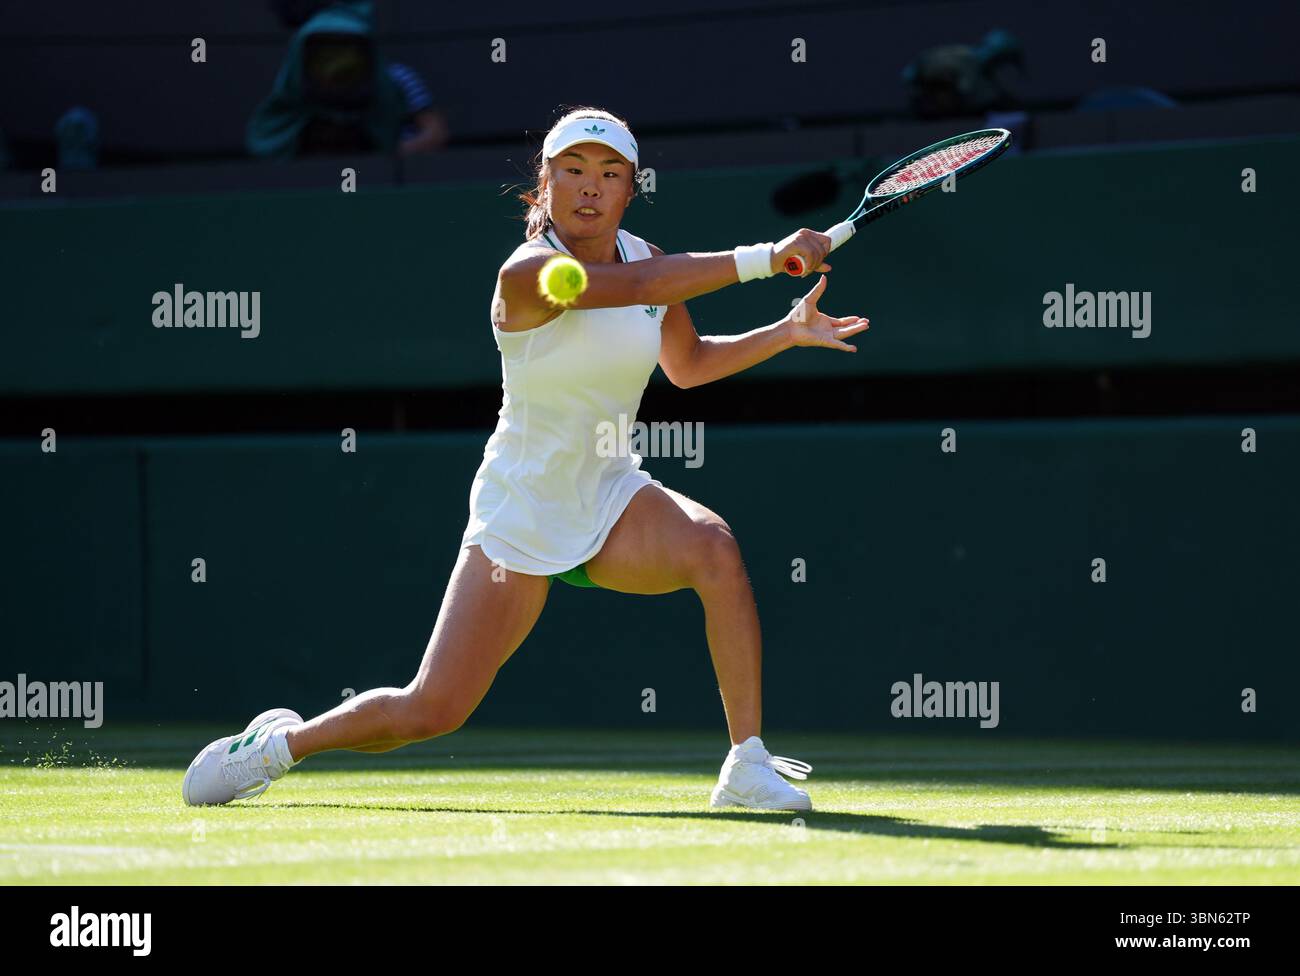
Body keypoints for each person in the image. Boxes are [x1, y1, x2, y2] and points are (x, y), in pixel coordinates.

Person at [184, 107, 869, 811]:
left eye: (609, 174)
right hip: (521, 509)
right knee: (431, 710)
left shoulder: (647, 258)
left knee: (714, 549)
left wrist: (783, 332)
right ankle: (276, 747)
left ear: (631, 188)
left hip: (608, 494)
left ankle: (745, 766)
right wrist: (766, 259)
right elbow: (634, 292)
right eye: (572, 171)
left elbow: (688, 364)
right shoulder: (531, 273)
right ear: (543, 184)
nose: (590, 188)